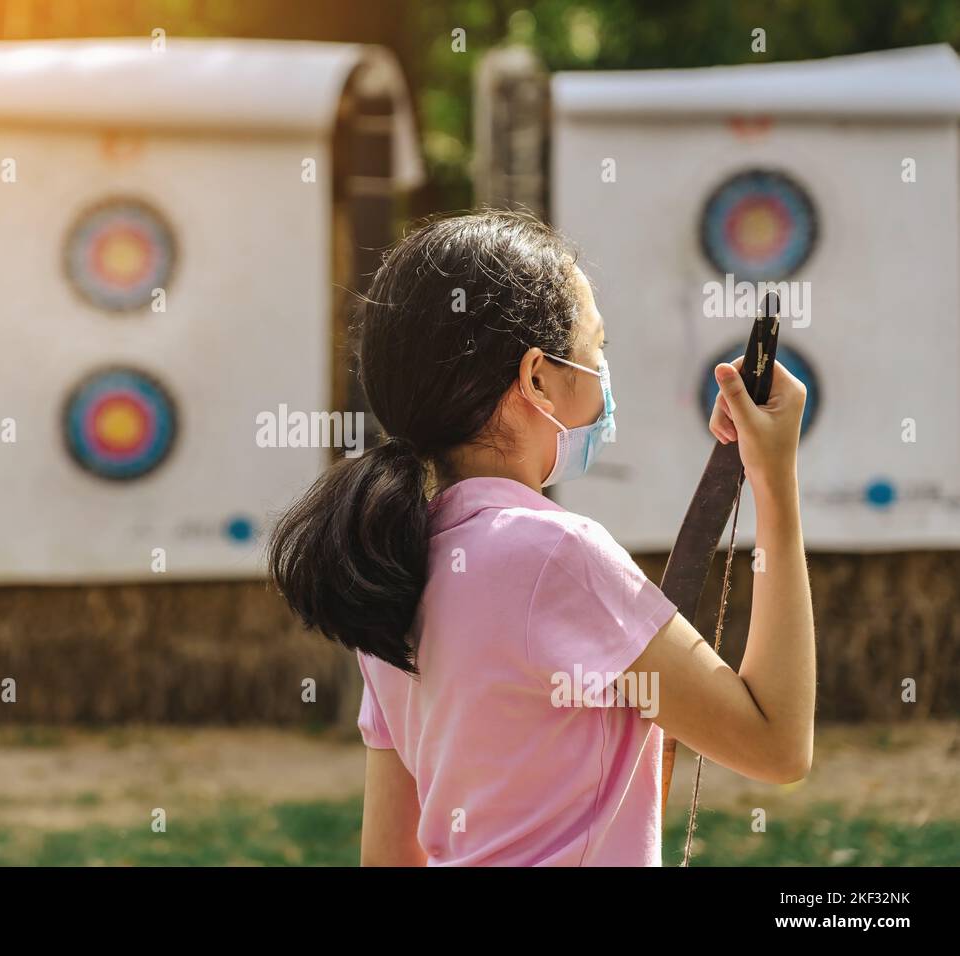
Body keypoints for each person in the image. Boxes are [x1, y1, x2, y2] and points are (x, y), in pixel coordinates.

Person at [266, 210, 815, 866]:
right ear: (537, 378)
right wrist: (774, 481)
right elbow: (777, 744)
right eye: (596, 348)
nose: (605, 373)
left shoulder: (395, 566)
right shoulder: (557, 555)